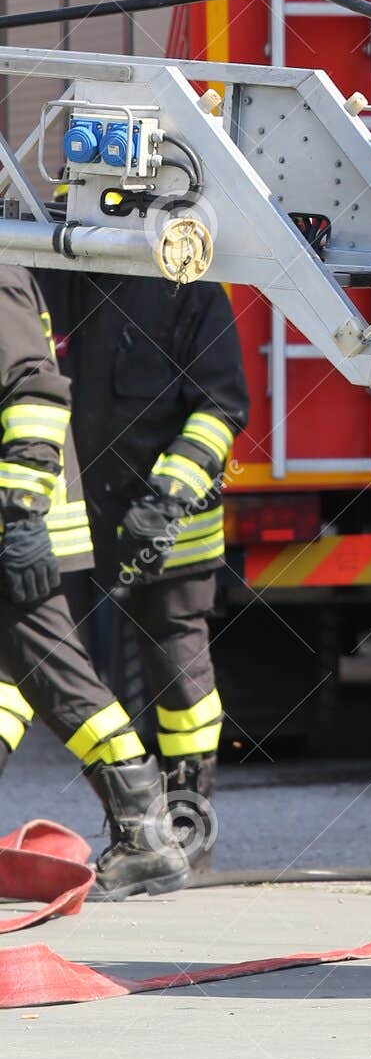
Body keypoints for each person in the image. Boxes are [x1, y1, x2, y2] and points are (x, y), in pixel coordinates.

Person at [40, 270, 249, 868]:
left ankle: (186, 828)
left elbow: (221, 406)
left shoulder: (190, 289)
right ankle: (137, 829)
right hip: (70, 522)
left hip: (169, 521)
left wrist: (169, 497)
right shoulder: (46, 278)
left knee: (179, 669)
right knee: (44, 664)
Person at [0, 264, 189, 898]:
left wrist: (22, 516)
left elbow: (34, 392)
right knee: (21, 677)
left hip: (22, 530)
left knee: (57, 678)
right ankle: (147, 838)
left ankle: (146, 838)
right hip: (18, 527)